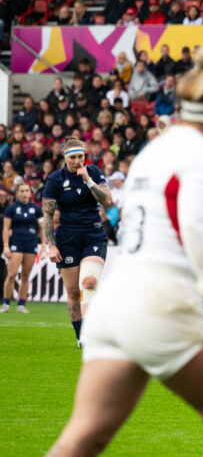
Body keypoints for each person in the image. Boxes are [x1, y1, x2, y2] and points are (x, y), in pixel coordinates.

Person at [13, 47, 203, 457]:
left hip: (116, 301)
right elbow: (194, 225)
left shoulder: (155, 149)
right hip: (161, 300)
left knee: (84, 434)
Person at [41, 138, 112, 347]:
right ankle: (80, 335)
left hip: (93, 233)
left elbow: (106, 200)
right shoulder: (55, 179)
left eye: (81, 156)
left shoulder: (94, 172)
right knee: (73, 293)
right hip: (67, 238)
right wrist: (51, 245)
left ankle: (90, 333)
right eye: (73, 157)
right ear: (65, 158)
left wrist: (88, 180)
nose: (77, 161)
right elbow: (48, 214)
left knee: (89, 283)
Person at [3, 182, 44, 314]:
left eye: (26, 191)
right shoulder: (11, 208)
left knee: (26, 275)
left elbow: (43, 228)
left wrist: (44, 246)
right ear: (17, 193)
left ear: (30, 193)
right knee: (11, 274)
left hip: (31, 244)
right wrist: (6, 246)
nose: (24, 193)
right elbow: (6, 228)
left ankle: (21, 305)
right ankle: (6, 304)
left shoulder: (36, 209)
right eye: (22, 191)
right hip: (16, 243)